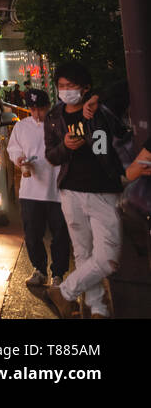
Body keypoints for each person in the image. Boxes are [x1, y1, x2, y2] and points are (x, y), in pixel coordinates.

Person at [44, 62, 129, 318]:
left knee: (108, 258)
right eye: (61, 86)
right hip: (71, 191)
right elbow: (51, 156)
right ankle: (97, 309)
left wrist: (96, 99)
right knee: (83, 253)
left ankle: (64, 291)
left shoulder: (101, 110)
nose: (66, 91)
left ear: (85, 88)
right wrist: (66, 147)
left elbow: (124, 87)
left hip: (103, 190)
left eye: (71, 86)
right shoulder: (54, 117)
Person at [8, 88, 72, 287]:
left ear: (48, 106)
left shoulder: (60, 125)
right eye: (33, 109)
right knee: (32, 233)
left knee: (60, 233)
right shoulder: (21, 127)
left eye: (41, 109)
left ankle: (58, 274)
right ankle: (39, 269)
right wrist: (19, 159)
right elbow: (13, 147)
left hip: (57, 189)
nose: (37, 113)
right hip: (31, 190)